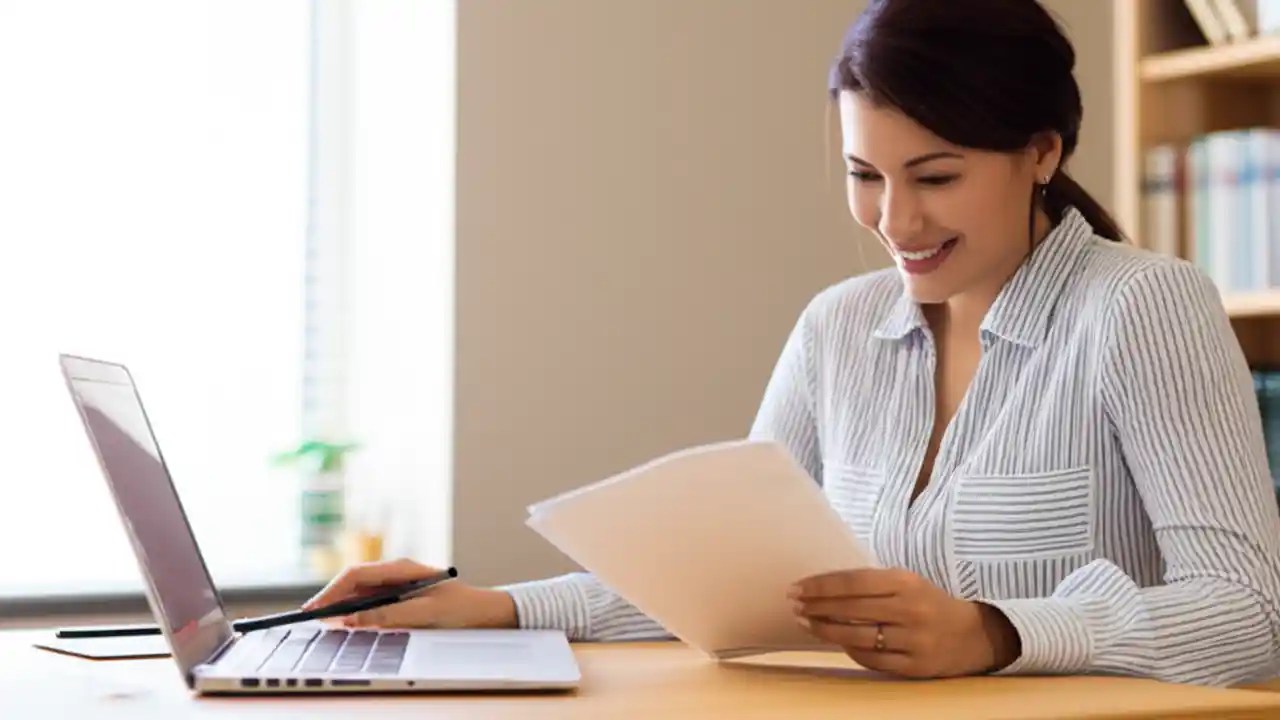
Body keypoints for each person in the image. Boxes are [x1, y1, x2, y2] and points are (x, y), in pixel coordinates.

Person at [303, 0, 1280, 686]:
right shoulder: (838, 329)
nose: (892, 219)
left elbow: (1247, 614)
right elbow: (730, 593)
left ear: (1040, 152)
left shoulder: (1143, 308)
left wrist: (993, 633)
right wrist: (492, 609)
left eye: (934, 176)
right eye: (865, 174)